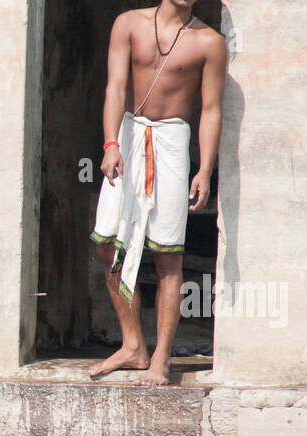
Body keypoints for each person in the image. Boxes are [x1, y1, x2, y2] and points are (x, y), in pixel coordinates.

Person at [88, 1, 227, 386]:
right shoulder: (128, 24)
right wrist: (110, 142)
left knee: (168, 255)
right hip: (129, 133)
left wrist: (204, 169)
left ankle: (161, 359)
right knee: (106, 245)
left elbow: (211, 109)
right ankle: (133, 344)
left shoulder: (208, 42)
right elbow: (115, 85)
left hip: (171, 141)